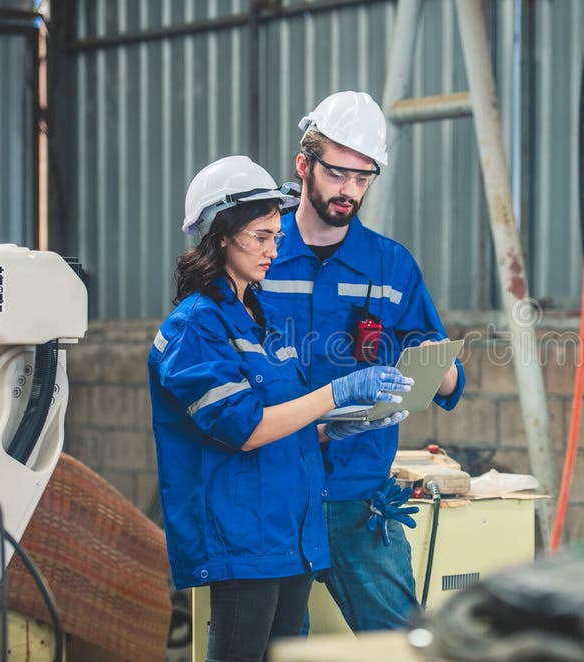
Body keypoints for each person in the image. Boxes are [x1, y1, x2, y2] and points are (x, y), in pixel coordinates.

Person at [148, 155, 413, 661]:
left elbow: (283, 422)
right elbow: (245, 430)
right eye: (260, 236)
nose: (274, 249)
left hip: (289, 533)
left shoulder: (259, 319)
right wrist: (337, 392)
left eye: (276, 236)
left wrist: (338, 428)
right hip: (243, 537)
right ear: (220, 234)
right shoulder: (196, 328)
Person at [261, 91, 466, 632]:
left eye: (363, 177)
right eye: (337, 173)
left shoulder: (391, 265)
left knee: (403, 642)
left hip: (358, 501)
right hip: (272, 497)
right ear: (304, 165)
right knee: (273, 647)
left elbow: (444, 373)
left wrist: (436, 366)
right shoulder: (259, 252)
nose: (349, 190)